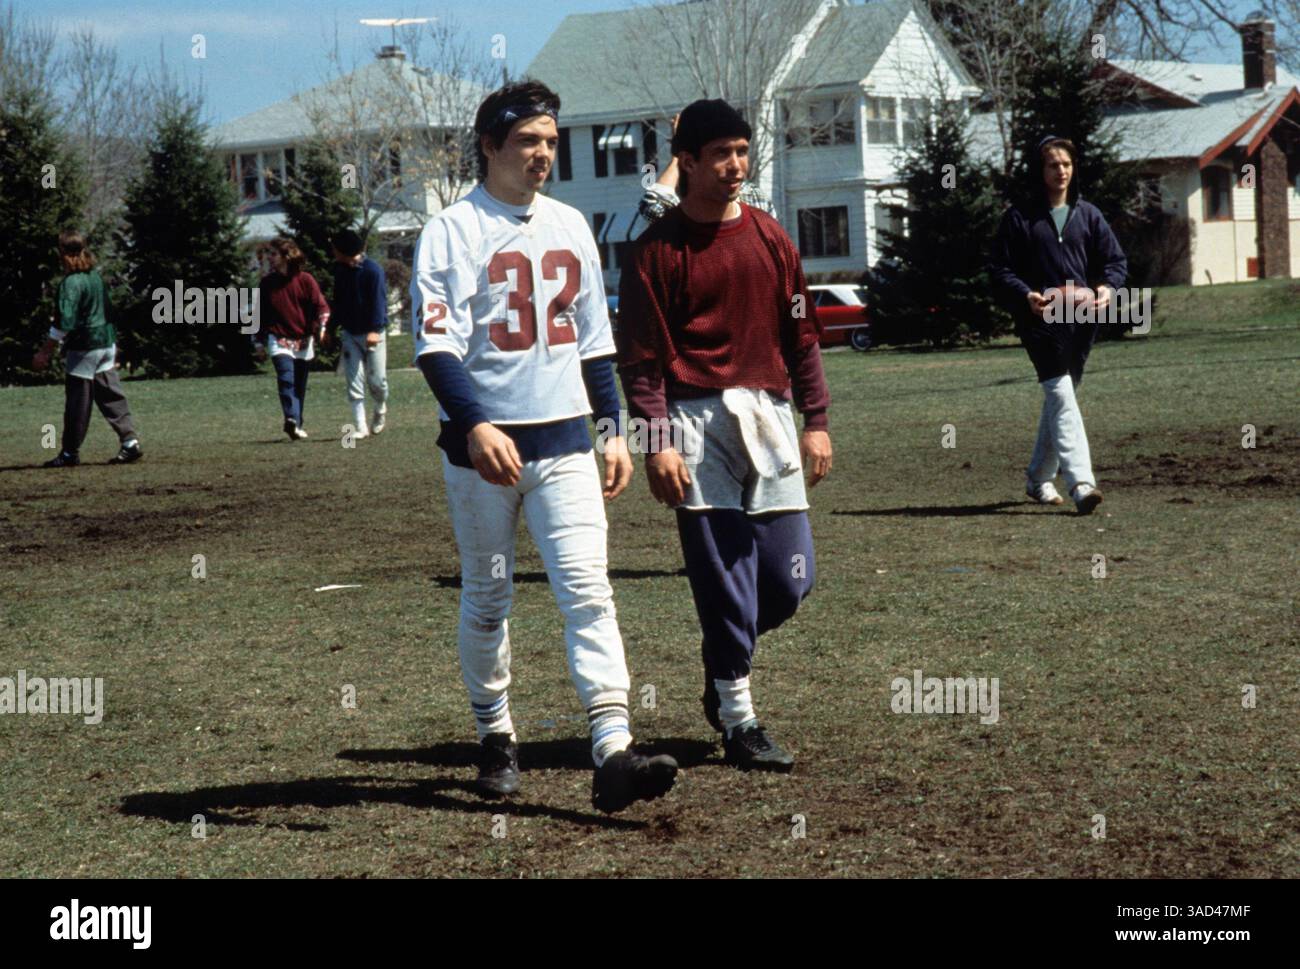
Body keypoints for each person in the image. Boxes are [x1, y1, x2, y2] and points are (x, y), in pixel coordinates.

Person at [411, 79, 678, 814]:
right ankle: (495, 734)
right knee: (489, 599)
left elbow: (596, 342)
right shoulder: (453, 229)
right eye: (528, 139)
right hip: (482, 450)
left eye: (551, 141)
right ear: (491, 144)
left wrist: (612, 427)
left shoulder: (569, 224)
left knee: (590, 593)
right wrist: (474, 422)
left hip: (564, 444)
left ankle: (613, 750)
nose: (543, 153)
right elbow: (435, 346)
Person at [617, 99, 832, 772]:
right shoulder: (657, 252)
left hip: (767, 417)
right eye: (721, 154)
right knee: (724, 578)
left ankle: (722, 662)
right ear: (687, 162)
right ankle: (740, 718)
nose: (735, 165)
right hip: (694, 423)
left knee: (790, 578)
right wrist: (659, 442)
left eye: (742, 150)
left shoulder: (772, 238)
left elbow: (803, 337)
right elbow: (642, 363)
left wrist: (817, 421)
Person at [990, 135, 1127, 516]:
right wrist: (1025, 295)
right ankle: (1082, 483)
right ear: (1041, 170)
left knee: (1060, 399)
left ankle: (1037, 478)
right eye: (1053, 165)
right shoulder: (1019, 217)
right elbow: (999, 268)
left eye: (1066, 164)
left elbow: (1115, 262)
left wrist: (1106, 288)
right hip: (1040, 319)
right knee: (1062, 395)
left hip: (1081, 320)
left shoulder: (1089, 214)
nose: (1061, 171)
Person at [32, 231, 142, 467]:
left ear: (61, 252)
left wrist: (44, 352)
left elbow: (65, 322)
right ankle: (129, 441)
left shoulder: (71, 282)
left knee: (77, 402)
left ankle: (70, 453)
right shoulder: (95, 277)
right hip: (106, 342)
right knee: (111, 395)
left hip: (85, 347)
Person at [632, 112, 776, 236]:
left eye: (741, 152)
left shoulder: (692, 207)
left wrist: (679, 152)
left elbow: (652, 206)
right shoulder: (756, 196)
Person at [258, 237, 330, 441]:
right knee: (286, 378)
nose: (269, 258)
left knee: (299, 384)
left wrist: (322, 327)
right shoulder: (267, 284)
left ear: (285, 257)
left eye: (273, 254)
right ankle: (290, 417)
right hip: (278, 339)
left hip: (303, 340)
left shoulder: (306, 280)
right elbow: (258, 314)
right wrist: (258, 342)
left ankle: (297, 424)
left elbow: (321, 306)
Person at [330, 229, 389, 439]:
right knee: (353, 379)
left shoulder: (372, 271)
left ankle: (380, 408)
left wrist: (374, 329)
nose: (333, 252)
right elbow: (337, 302)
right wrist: (330, 328)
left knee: (377, 380)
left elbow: (379, 302)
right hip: (350, 333)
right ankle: (360, 425)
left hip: (374, 333)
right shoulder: (340, 270)